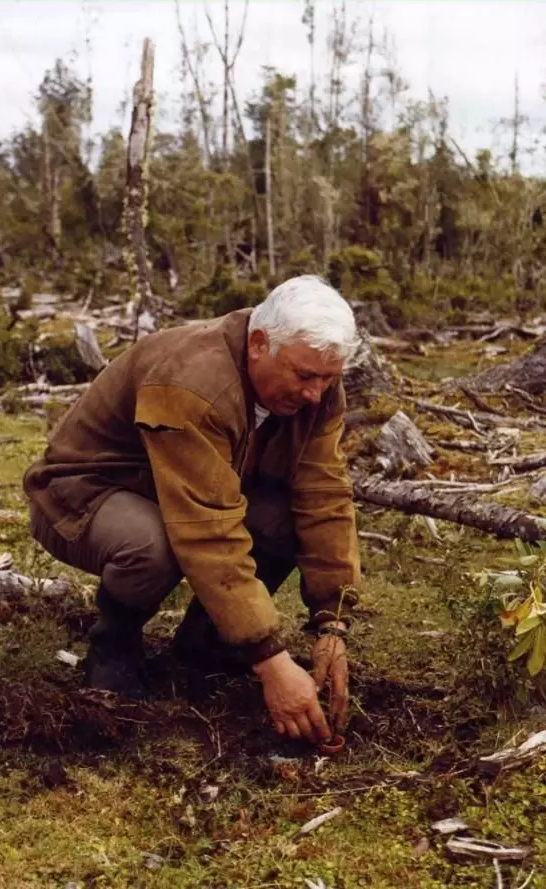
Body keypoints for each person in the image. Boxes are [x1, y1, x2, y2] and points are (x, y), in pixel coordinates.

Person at [24, 274, 361, 745]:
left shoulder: (317, 390)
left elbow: (324, 493)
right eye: (305, 376)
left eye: (328, 378)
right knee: (154, 545)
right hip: (84, 496)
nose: (315, 394)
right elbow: (208, 530)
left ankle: (208, 648)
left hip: (185, 492)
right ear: (260, 344)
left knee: (283, 519)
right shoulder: (192, 383)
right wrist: (272, 660)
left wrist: (334, 619)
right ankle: (114, 649)